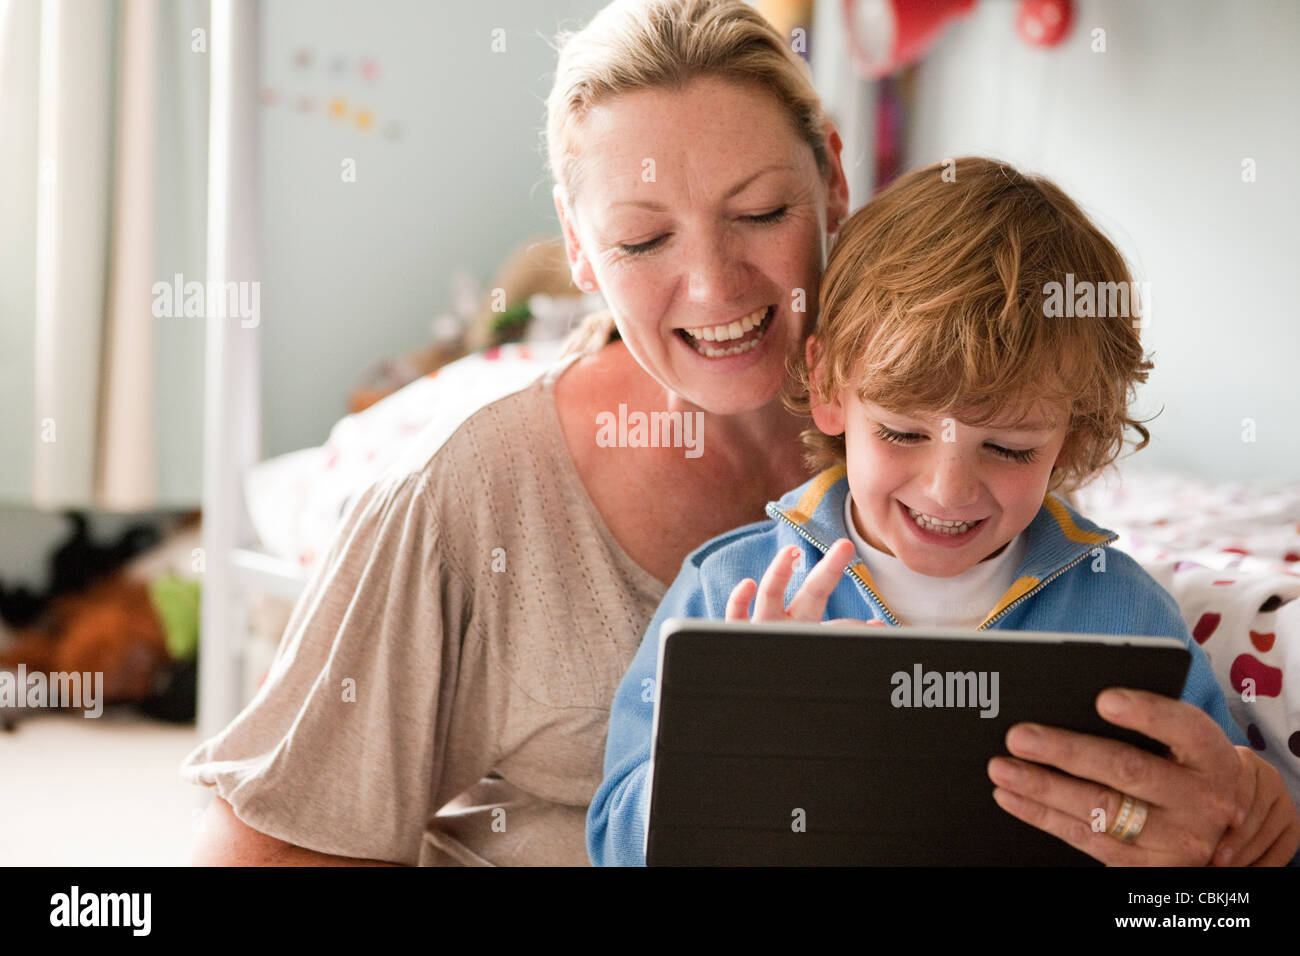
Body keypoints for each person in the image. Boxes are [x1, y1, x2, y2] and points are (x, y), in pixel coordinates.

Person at [183, 0, 851, 865]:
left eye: (760, 213)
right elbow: (253, 852)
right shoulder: (468, 495)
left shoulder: (954, 425)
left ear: (833, 177)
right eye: (645, 239)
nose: (714, 288)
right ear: (577, 248)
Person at [587, 157, 1300, 867]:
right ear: (831, 386)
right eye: (903, 433)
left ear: (1072, 438)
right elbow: (614, 844)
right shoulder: (727, 591)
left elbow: (1215, 867)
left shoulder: (1129, 616)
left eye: (1010, 448)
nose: (948, 491)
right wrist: (733, 751)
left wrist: (1243, 842)